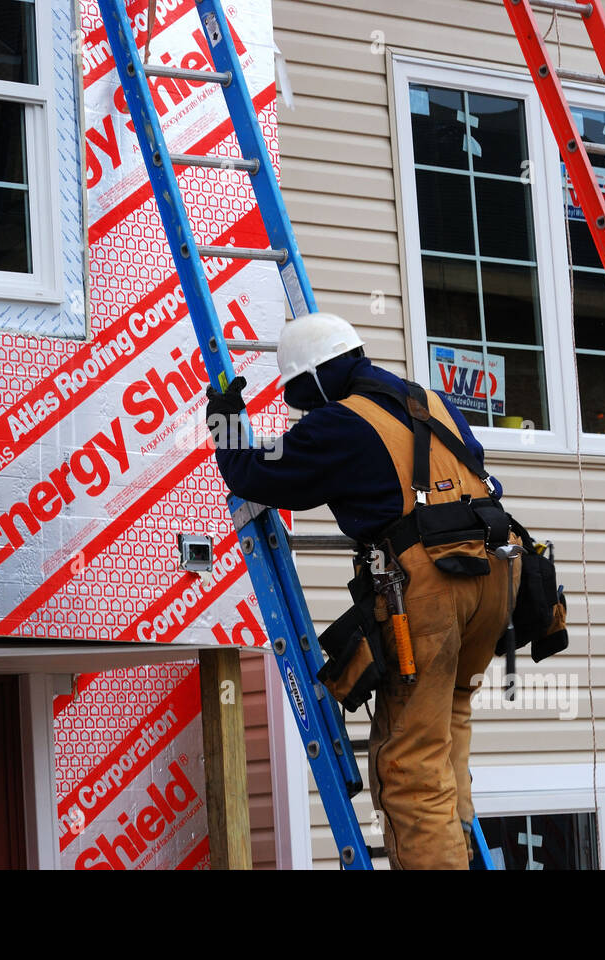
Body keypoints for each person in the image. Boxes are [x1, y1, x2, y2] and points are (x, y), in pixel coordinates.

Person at [205, 311, 521, 870]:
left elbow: (252, 474)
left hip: (432, 589)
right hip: (496, 577)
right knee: (448, 726)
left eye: (301, 398)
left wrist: (227, 422)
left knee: (409, 761)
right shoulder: (431, 399)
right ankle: (463, 854)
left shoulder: (340, 424)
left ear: (314, 380)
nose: (304, 412)